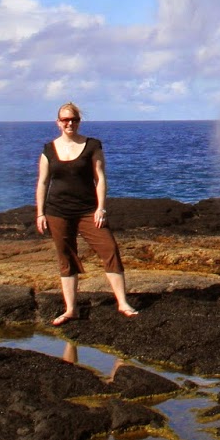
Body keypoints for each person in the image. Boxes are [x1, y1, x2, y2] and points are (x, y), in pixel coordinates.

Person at [34, 101, 138, 324]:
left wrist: (101, 207)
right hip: (57, 211)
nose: (70, 123)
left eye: (74, 119)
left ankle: (123, 303)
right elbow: (42, 182)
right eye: (65, 120)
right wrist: (40, 213)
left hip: (88, 210)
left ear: (79, 121)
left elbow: (100, 178)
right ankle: (71, 309)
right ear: (58, 122)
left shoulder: (92, 145)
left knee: (109, 249)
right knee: (66, 257)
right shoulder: (48, 150)